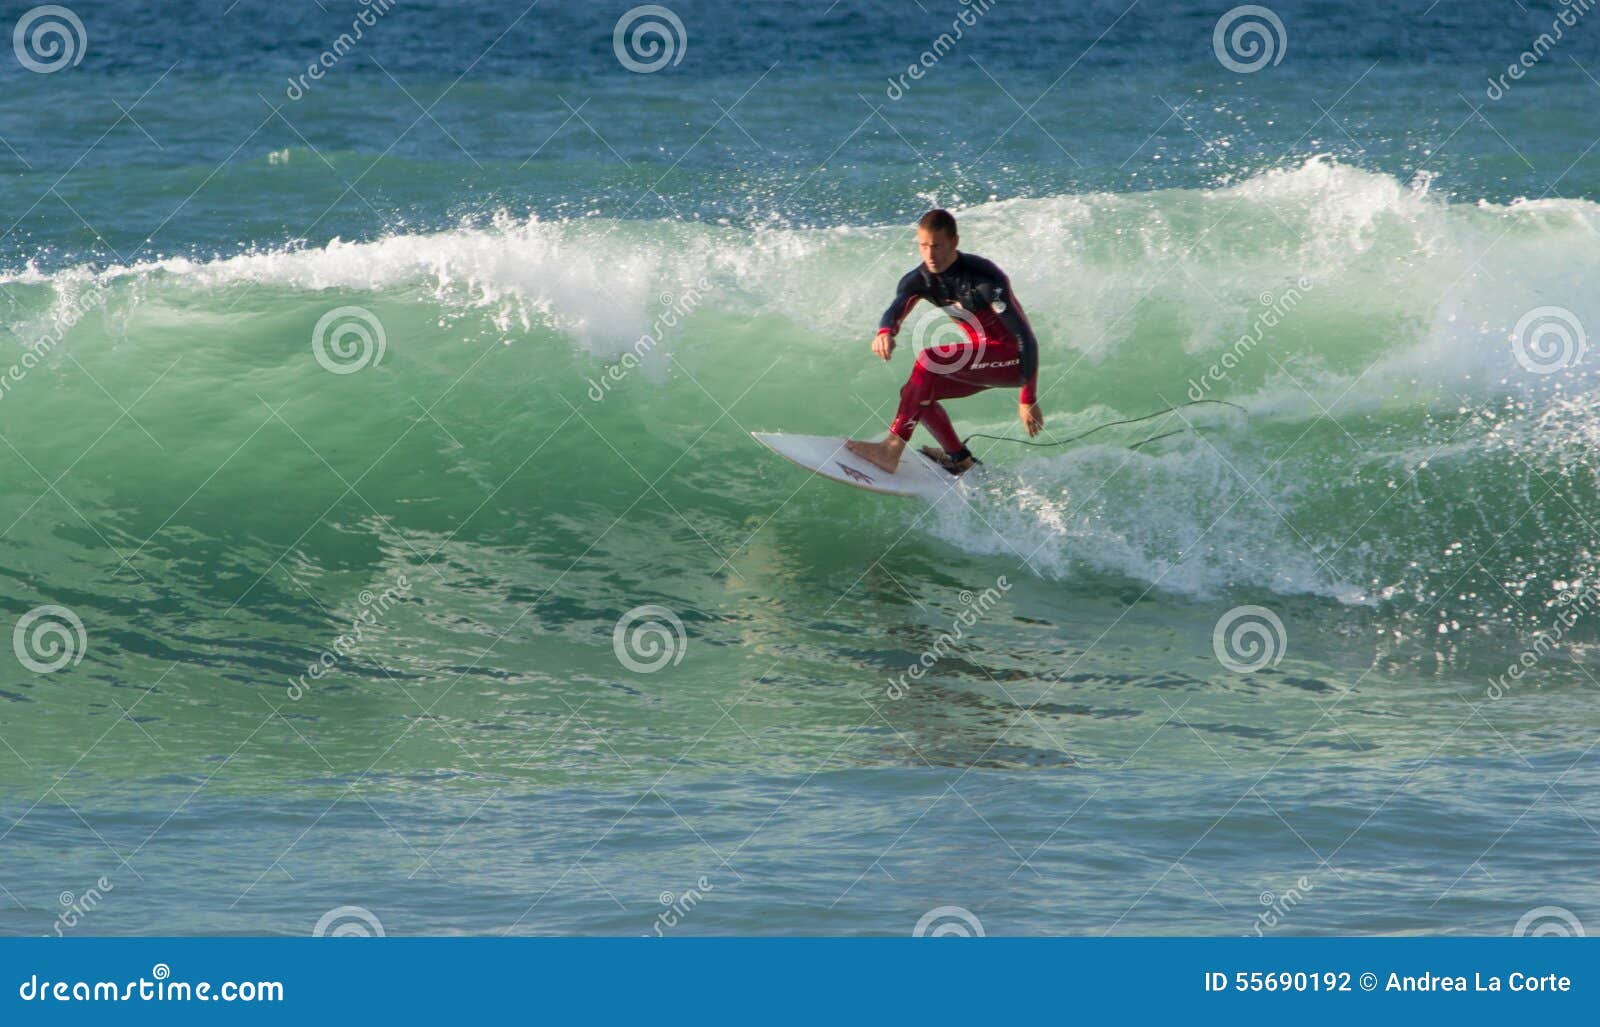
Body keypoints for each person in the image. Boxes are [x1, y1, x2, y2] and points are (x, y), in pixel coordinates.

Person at [845, 209, 1044, 475]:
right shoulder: (920, 279)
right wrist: (885, 332)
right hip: (981, 360)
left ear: (954, 243)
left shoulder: (983, 277)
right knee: (915, 394)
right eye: (923, 246)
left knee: (931, 359)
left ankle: (891, 448)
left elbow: (1025, 338)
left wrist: (1027, 398)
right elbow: (897, 308)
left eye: (937, 246)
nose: (929, 255)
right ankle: (960, 459)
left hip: (1012, 360)